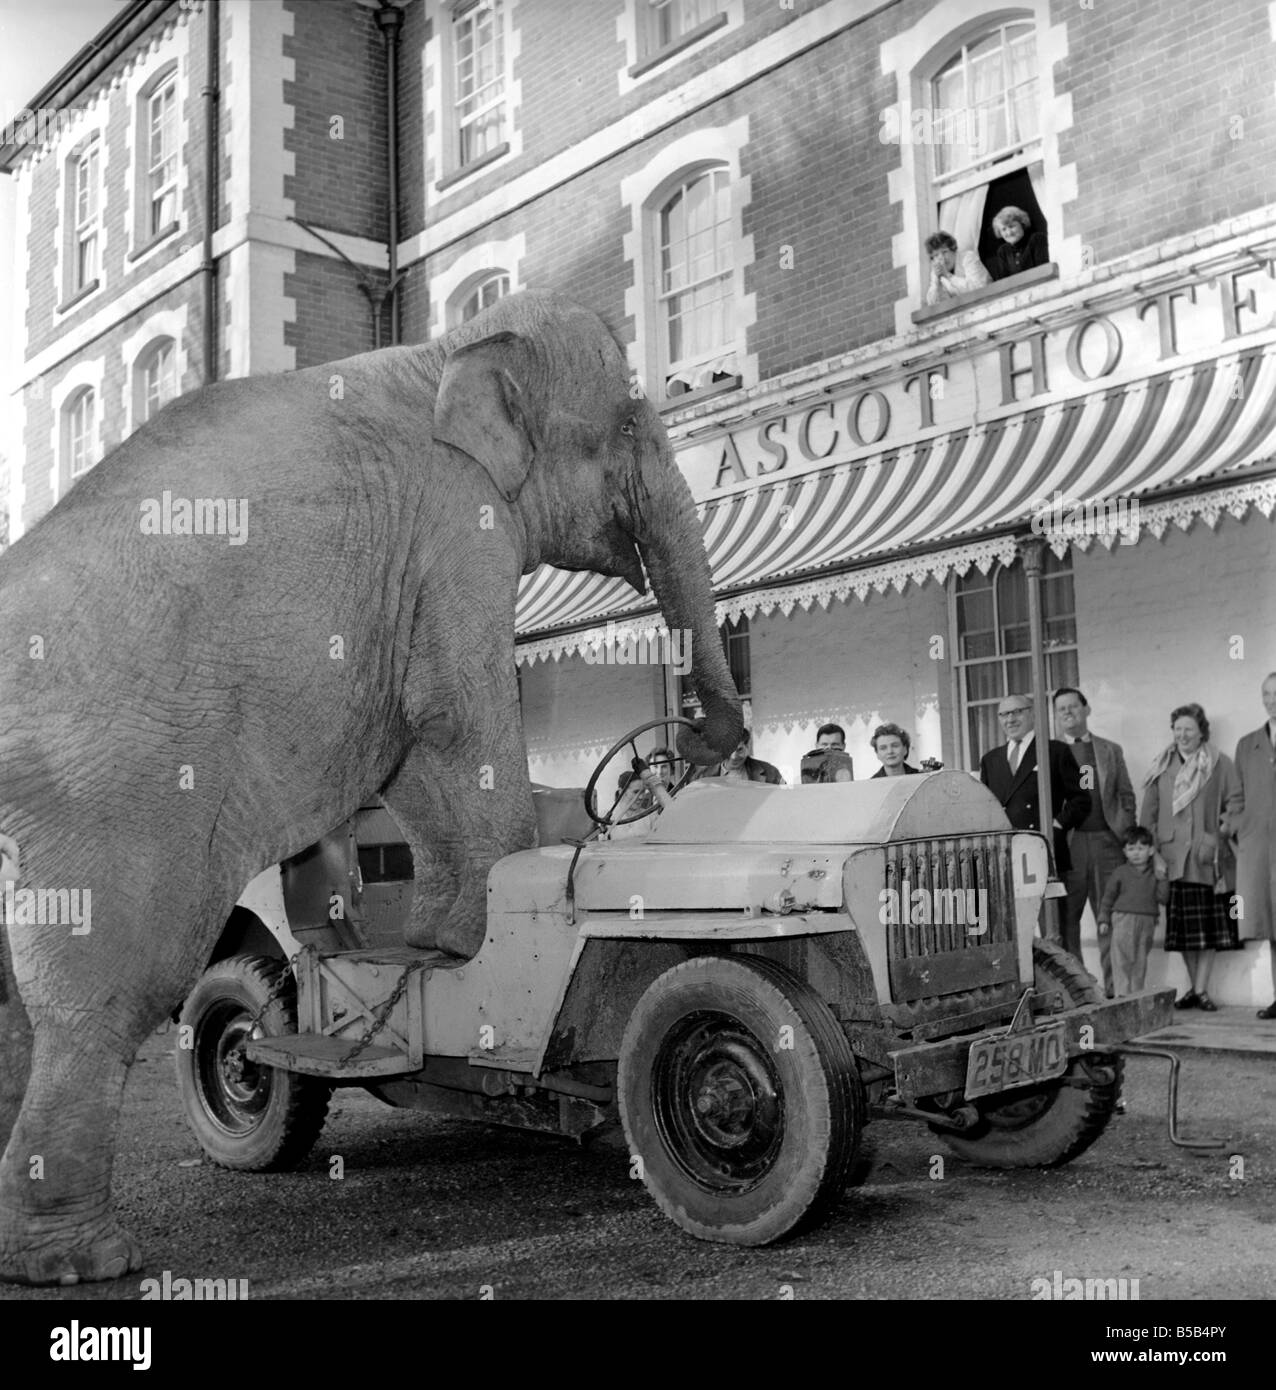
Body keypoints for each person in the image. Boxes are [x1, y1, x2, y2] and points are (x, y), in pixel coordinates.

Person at [1140, 703, 1242, 1012]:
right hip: (1172, 861)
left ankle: (1200, 990)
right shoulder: (1162, 766)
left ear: (1202, 732)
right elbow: (1149, 816)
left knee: (1208, 930)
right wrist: (1154, 854)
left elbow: (1236, 803)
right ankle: (1194, 989)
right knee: (1183, 933)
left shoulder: (1219, 763)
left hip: (1207, 860)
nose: (1183, 735)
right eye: (1178, 729)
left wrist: (1219, 833)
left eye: (1189, 729)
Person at [1053, 687, 1137, 994]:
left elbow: (1126, 794)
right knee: (1067, 920)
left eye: (1073, 706)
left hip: (1107, 843)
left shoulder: (1110, 750)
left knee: (1108, 916)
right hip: (1071, 847)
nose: (1067, 713)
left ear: (1086, 709)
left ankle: (1115, 990)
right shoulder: (1050, 752)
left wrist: (1126, 830)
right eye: (1061, 709)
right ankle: (1080, 990)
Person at [979, 694, 1091, 876]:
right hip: (1005, 854)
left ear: (1032, 715)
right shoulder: (990, 759)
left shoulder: (1055, 751)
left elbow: (1081, 799)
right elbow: (986, 807)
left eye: (1017, 712)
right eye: (1004, 714)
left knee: (1049, 905)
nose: (1010, 719)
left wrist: (1058, 824)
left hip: (1045, 848)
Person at [1233, 674, 1276, 1018]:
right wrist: (1240, 829)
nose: (1271, 700)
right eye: (1266, 694)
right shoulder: (1247, 745)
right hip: (1261, 847)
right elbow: (1236, 795)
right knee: (1271, 922)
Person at [1097, 826, 1170, 996]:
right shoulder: (1120, 872)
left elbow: (1163, 898)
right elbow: (1108, 897)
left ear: (1151, 850)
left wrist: (1163, 878)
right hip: (1123, 919)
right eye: (1131, 849)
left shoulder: (1154, 874)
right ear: (1124, 851)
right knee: (1121, 959)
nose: (1136, 853)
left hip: (1147, 922)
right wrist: (1103, 920)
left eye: (1141, 848)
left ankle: (1135, 998)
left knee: (1140, 961)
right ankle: (1121, 996)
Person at [696, 727, 784, 784]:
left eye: (740, 750)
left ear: (748, 747)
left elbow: (784, 800)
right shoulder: (702, 776)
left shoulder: (770, 772)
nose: (733, 756)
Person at [924, 231, 990, 306]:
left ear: (953, 249)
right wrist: (937, 283)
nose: (941, 258)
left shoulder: (968, 258)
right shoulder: (936, 272)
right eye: (936, 255)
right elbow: (933, 304)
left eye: (944, 252)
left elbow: (978, 288)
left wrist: (948, 276)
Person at [988, 205, 1048, 280]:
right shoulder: (1003, 251)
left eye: (1011, 226)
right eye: (1003, 229)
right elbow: (1003, 282)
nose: (1009, 233)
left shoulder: (1037, 239)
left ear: (1022, 224)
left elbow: (1044, 271)